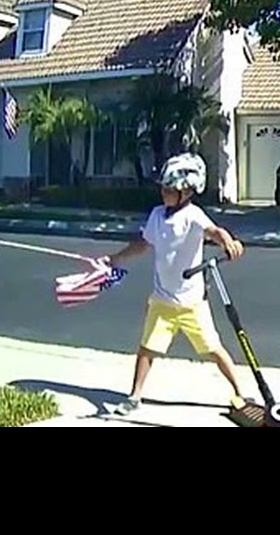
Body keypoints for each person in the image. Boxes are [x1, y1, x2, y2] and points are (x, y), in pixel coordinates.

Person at [97, 152, 249, 416]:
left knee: (213, 349)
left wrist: (229, 241)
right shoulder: (157, 215)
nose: (164, 193)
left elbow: (215, 232)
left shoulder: (194, 215)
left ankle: (240, 393)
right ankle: (134, 396)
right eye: (164, 188)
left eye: (170, 189)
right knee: (146, 350)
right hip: (162, 300)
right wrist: (115, 259)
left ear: (187, 192)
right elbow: (143, 244)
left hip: (191, 303)